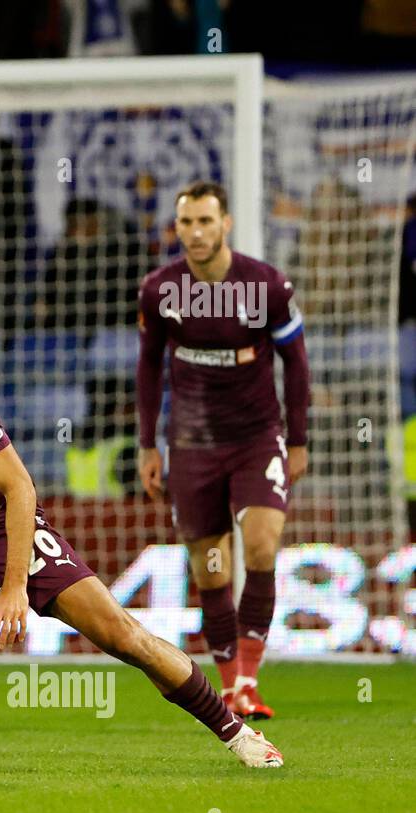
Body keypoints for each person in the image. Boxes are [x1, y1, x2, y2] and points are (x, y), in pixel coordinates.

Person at [0, 318, 283, 771]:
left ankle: (236, 732)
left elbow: (20, 489)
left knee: (125, 638)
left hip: (9, 534)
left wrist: (14, 584)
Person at [137, 180, 310, 719]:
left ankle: (251, 680)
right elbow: (148, 368)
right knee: (212, 569)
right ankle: (231, 684)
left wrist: (299, 439)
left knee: (261, 546)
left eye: (205, 221)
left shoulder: (267, 286)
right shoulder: (160, 290)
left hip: (256, 439)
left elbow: (297, 364)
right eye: (186, 222)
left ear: (226, 224)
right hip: (191, 447)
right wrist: (148, 444)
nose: (194, 232)